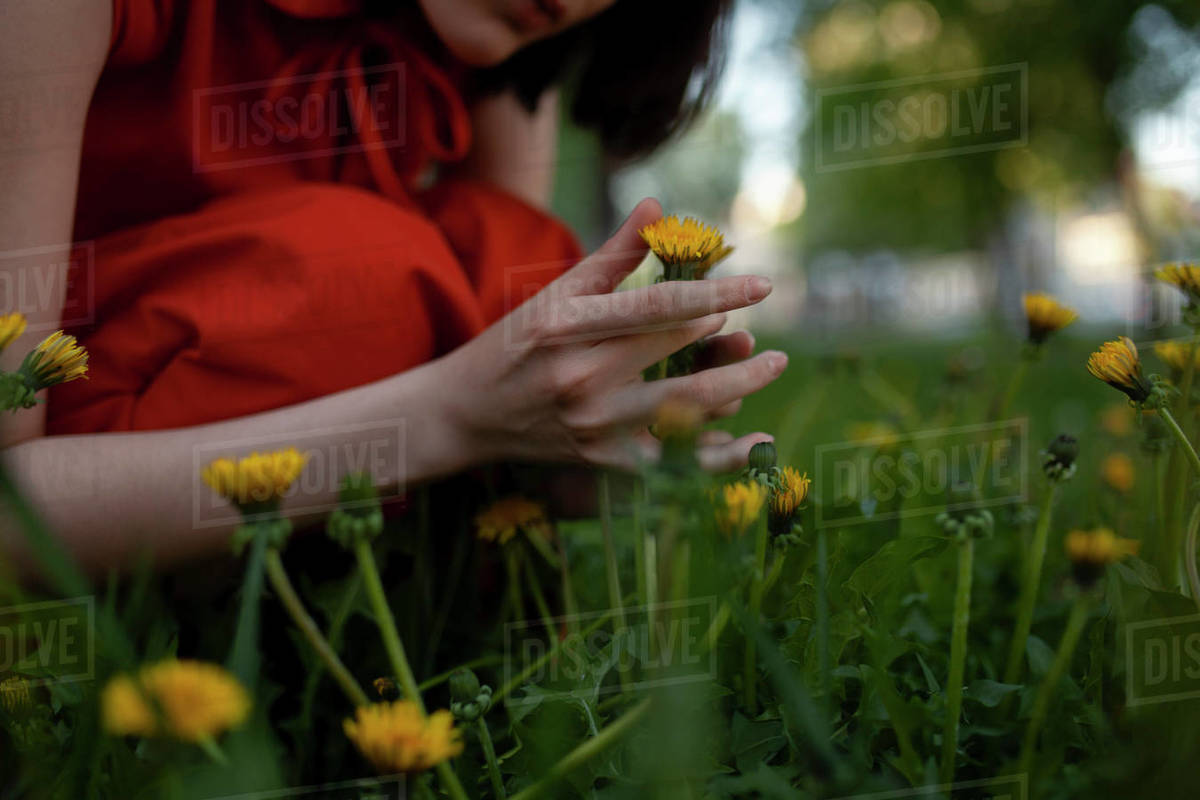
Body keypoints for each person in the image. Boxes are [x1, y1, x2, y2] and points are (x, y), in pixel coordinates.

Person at [0, 0, 787, 572]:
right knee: (367, 282)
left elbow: (496, 319)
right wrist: (450, 418)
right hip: (70, 472)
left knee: (509, 267)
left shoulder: (499, 40)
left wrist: (577, 443)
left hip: (312, 554)